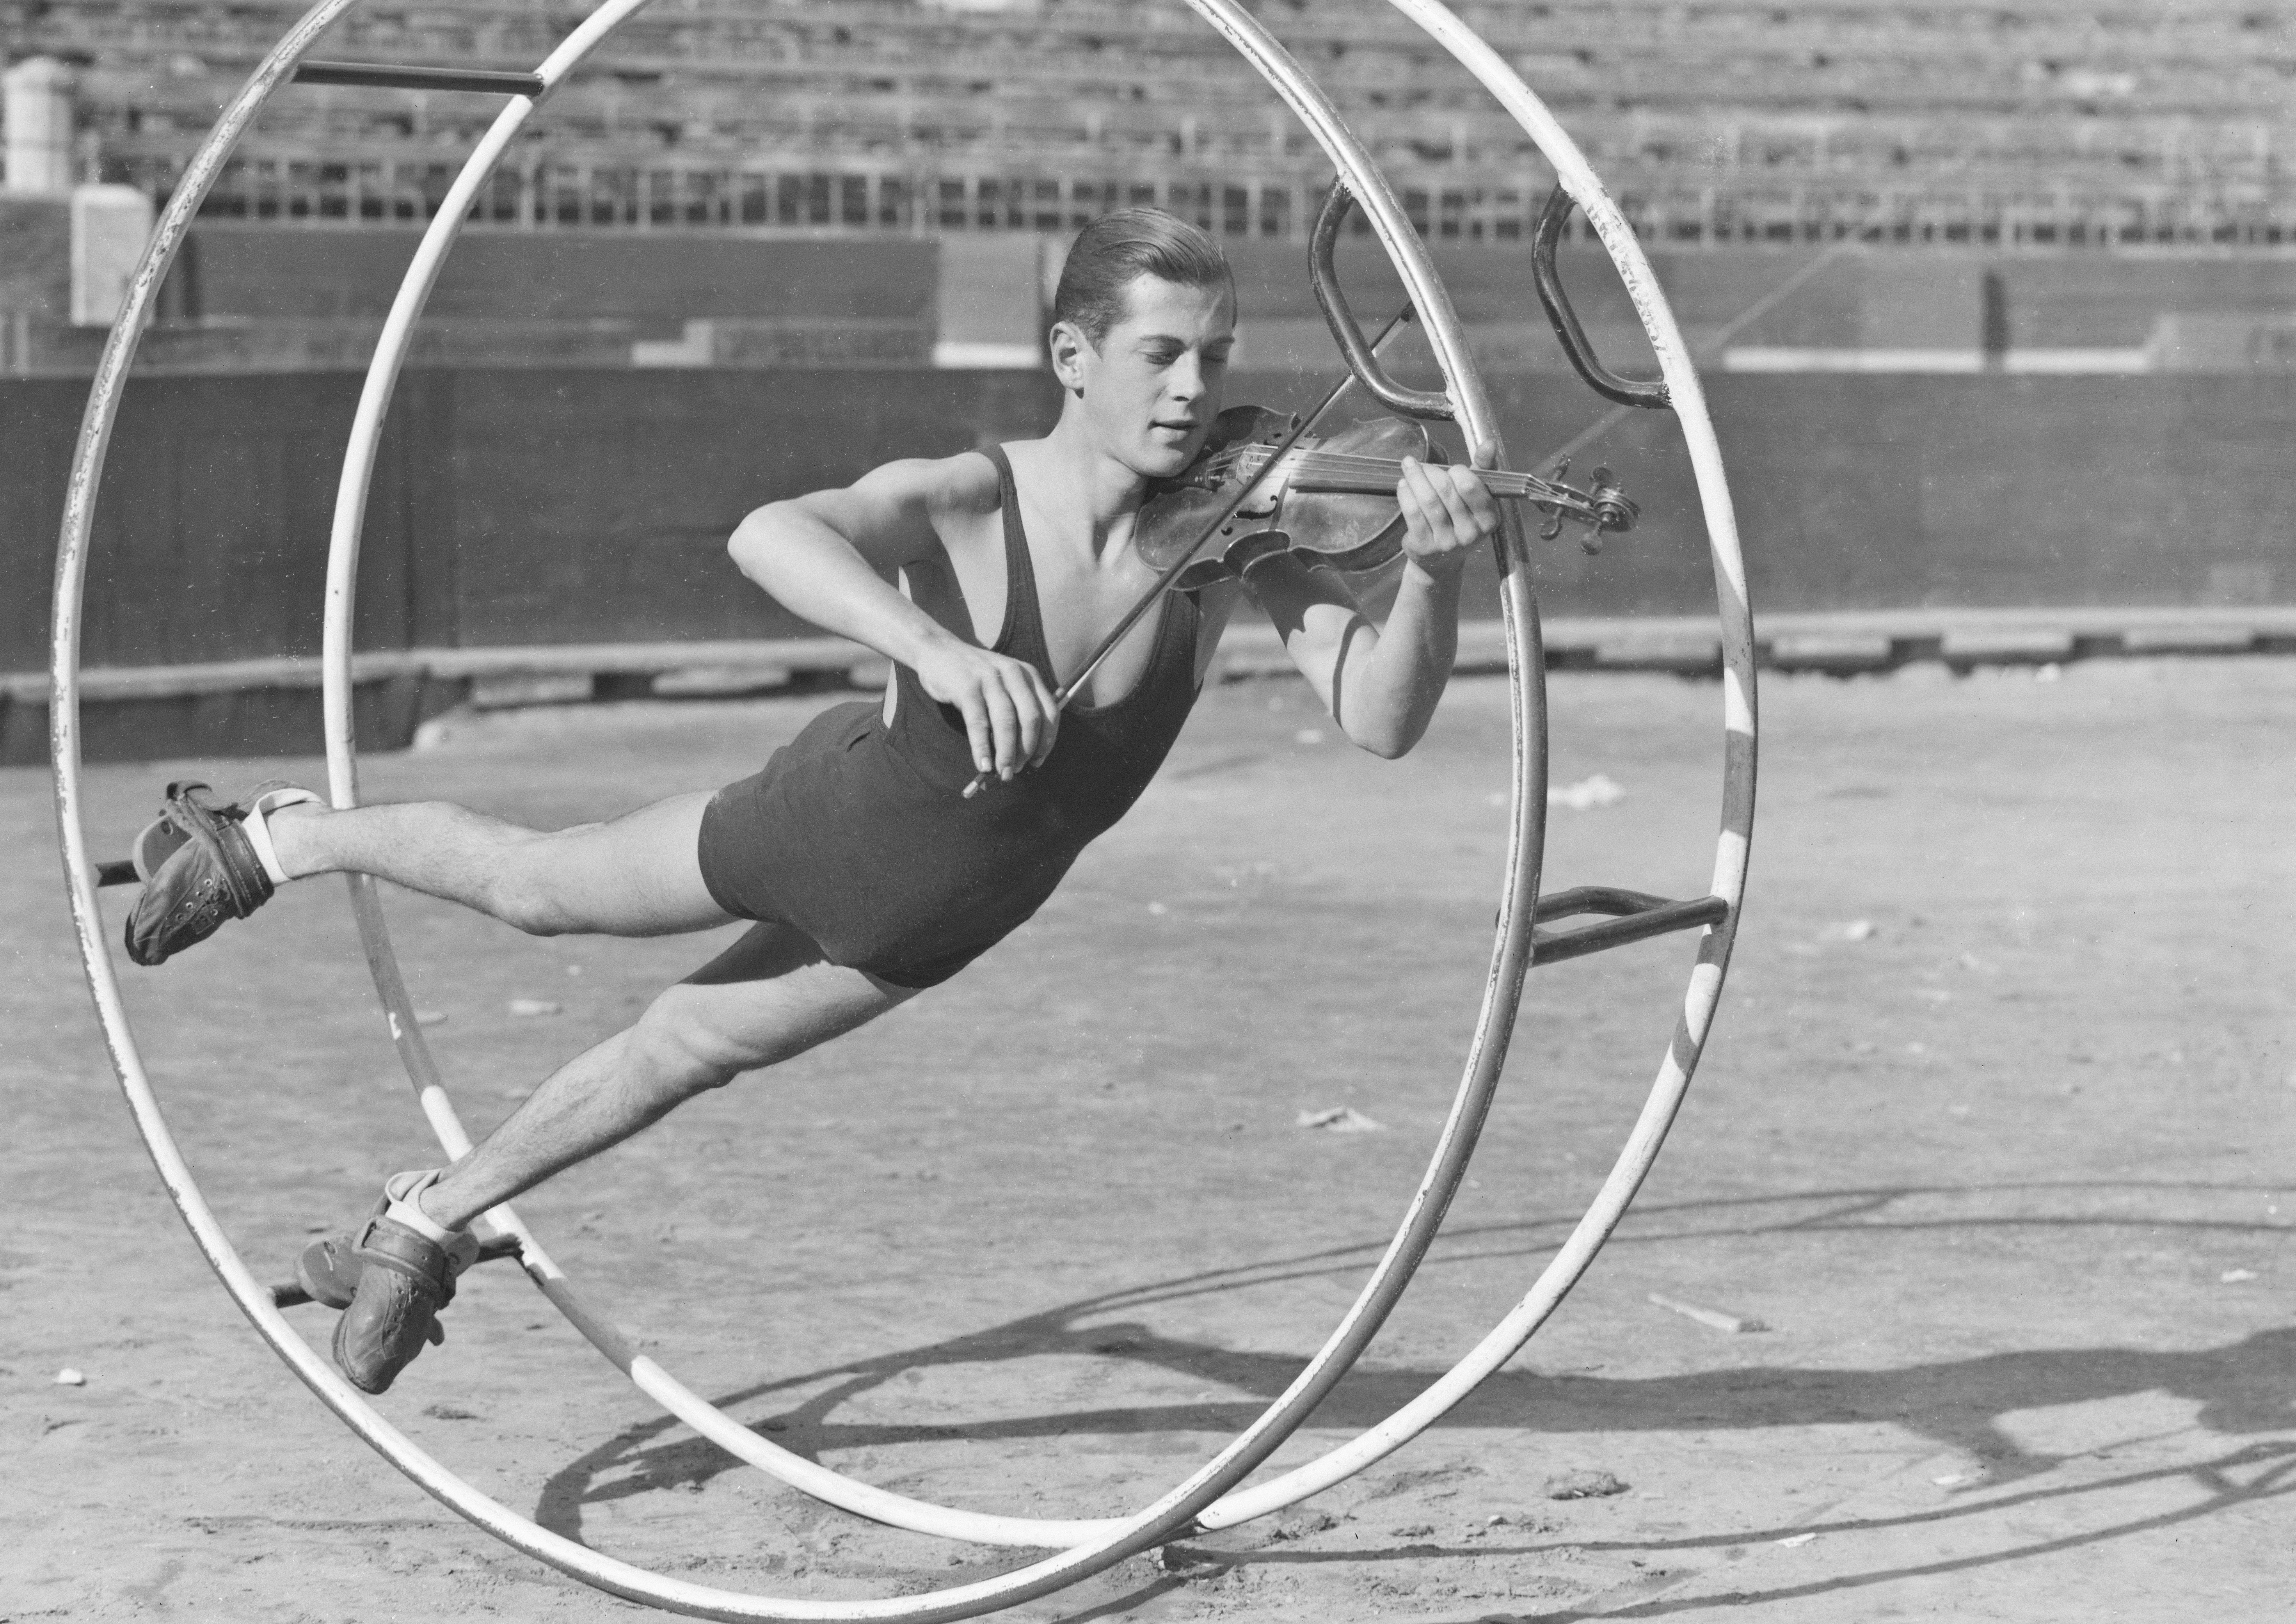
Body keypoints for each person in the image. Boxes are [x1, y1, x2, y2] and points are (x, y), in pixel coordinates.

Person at [119, 207, 1499, 1393]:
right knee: (539, 891)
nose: (1197, 390)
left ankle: (424, 1220)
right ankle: (273, 837)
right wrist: (939, 648)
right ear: (1075, 361)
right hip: (825, 822)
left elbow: (1381, 720)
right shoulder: (970, 498)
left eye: (1218, 354)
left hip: (940, 919)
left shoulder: (1237, 537)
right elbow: (767, 532)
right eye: (1162, 353)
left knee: (676, 1056)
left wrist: (1430, 576)